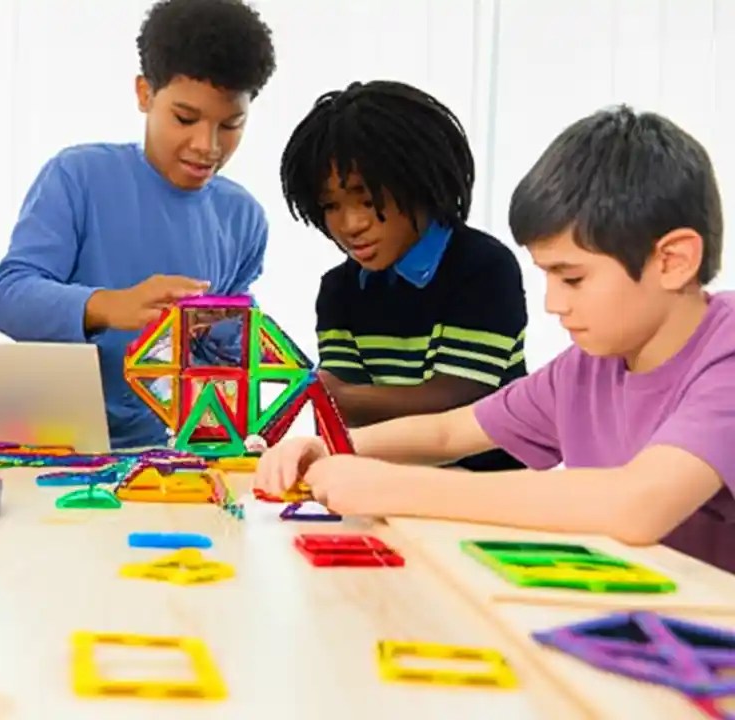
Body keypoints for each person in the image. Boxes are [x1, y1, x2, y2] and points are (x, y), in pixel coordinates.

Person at [257, 106, 735, 573]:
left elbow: (636, 505)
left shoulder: (726, 354)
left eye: (572, 279)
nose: (553, 303)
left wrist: (392, 487)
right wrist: (333, 448)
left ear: (673, 261)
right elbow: (450, 432)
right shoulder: (589, 367)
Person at [0, 0, 277, 449]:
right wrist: (109, 306)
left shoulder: (243, 217)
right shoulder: (78, 175)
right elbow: (8, 296)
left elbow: (228, 349)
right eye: (185, 118)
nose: (207, 145)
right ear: (144, 94)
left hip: (172, 453)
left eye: (230, 124)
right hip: (62, 446)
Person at [279, 80, 526, 471]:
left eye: (367, 198)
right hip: (387, 483)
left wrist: (319, 391)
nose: (351, 223)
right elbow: (349, 413)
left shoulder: (483, 267)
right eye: (330, 205)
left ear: (419, 181)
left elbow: (460, 400)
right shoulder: (339, 288)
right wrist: (327, 392)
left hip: (489, 486)